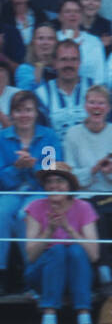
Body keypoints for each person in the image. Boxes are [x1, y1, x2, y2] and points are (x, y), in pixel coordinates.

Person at [64, 84, 112, 290]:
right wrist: (92, 170)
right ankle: (105, 274)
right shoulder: (72, 134)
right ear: (85, 106)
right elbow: (69, 174)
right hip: (86, 196)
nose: (96, 107)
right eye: (92, 102)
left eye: (101, 103)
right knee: (96, 218)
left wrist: (110, 170)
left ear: (108, 108)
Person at [23, 162, 100, 324]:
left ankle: (84, 320)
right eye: (49, 181)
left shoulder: (83, 207)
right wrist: (49, 231)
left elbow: (94, 255)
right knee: (57, 250)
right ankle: (49, 321)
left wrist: (69, 229)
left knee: (76, 250)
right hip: (41, 274)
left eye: (59, 181)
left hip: (74, 273)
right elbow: (31, 256)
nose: (54, 185)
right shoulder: (35, 207)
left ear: (69, 185)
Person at [0, 91, 63, 293]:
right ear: (11, 115)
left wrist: (33, 167)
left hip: (39, 191)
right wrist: (16, 168)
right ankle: (2, 273)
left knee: (24, 215)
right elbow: (1, 177)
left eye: (28, 110)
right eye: (18, 110)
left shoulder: (48, 136)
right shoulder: (2, 138)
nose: (24, 115)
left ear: (36, 113)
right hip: (11, 191)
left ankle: (31, 275)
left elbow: (52, 176)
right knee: (1, 214)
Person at [33, 40, 95, 143]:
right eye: (64, 60)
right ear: (55, 63)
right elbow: (40, 140)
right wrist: (49, 160)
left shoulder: (94, 89)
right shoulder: (42, 94)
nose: (69, 65)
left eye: (73, 59)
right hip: (56, 155)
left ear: (80, 62)